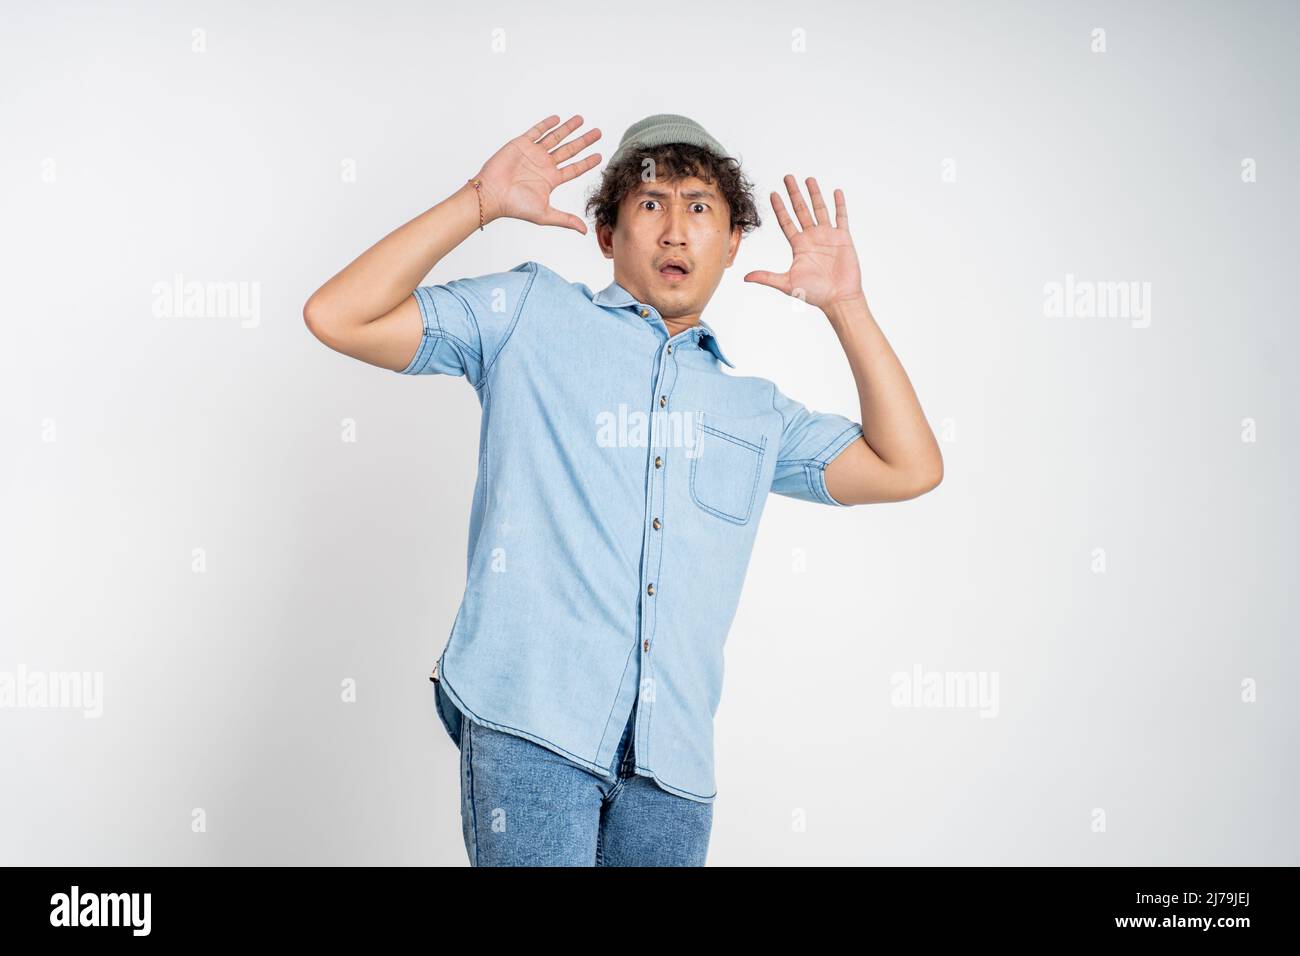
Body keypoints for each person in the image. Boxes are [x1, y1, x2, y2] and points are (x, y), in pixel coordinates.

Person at [303, 112, 943, 866]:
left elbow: (910, 467)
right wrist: (477, 200)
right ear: (607, 233)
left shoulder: (757, 410)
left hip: (671, 769)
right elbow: (337, 315)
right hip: (530, 723)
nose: (675, 231)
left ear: (734, 241)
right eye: (649, 203)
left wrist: (847, 306)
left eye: (700, 208)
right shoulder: (528, 314)